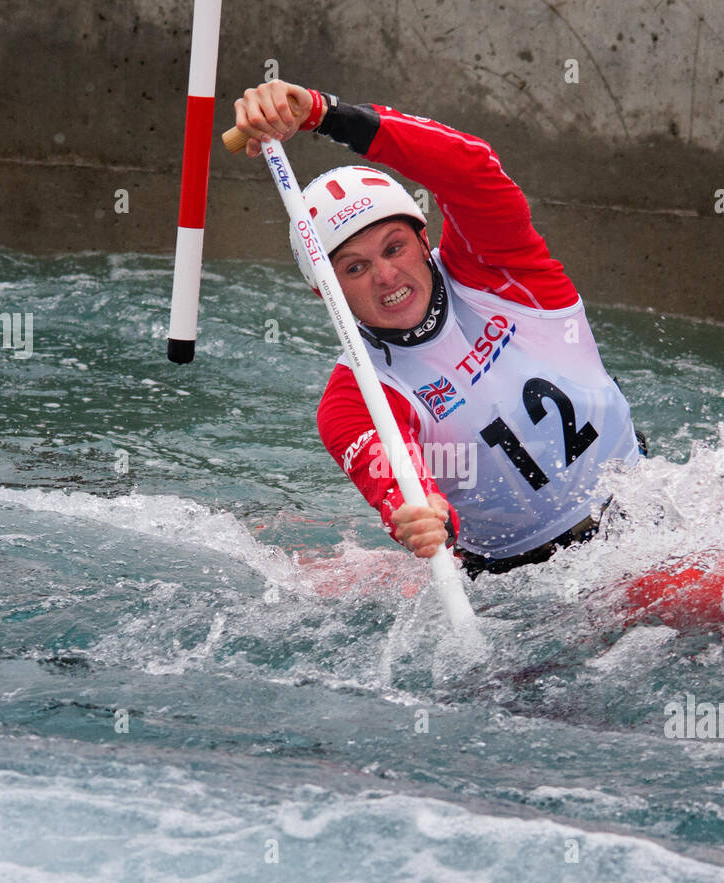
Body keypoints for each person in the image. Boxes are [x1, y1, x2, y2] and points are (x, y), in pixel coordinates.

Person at [232, 81, 643, 577]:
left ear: (424, 238)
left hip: (642, 514)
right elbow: (399, 483)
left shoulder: (501, 272)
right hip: (518, 581)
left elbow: (472, 169)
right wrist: (422, 515)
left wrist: (326, 114)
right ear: (327, 293)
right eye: (354, 269)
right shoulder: (355, 397)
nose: (386, 276)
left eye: (394, 247)